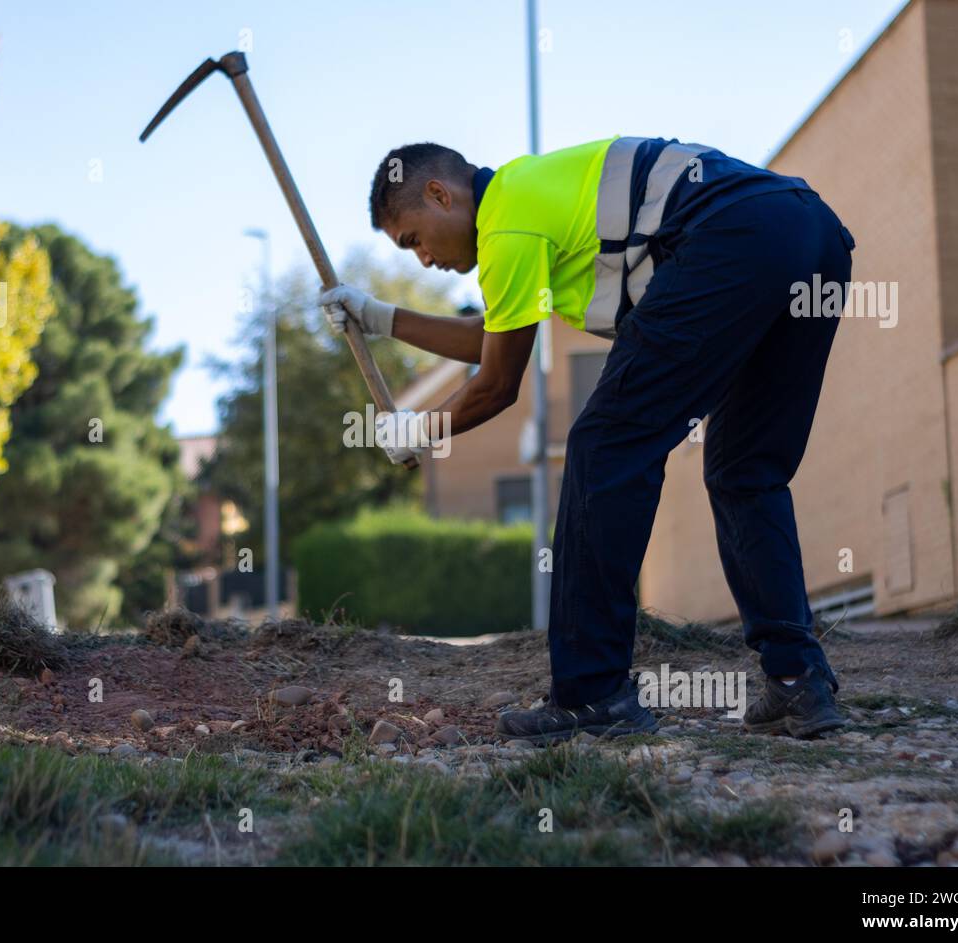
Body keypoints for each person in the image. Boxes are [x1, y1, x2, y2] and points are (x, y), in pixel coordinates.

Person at [319, 137, 854, 742]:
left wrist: (419, 429)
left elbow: (497, 384)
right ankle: (797, 681)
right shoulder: (528, 202)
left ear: (440, 194)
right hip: (811, 235)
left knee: (606, 446)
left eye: (413, 239)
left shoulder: (506, 226)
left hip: (733, 238)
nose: (421, 261)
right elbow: (491, 337)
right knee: (744, 470)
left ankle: (592, 693)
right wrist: (377, 316)